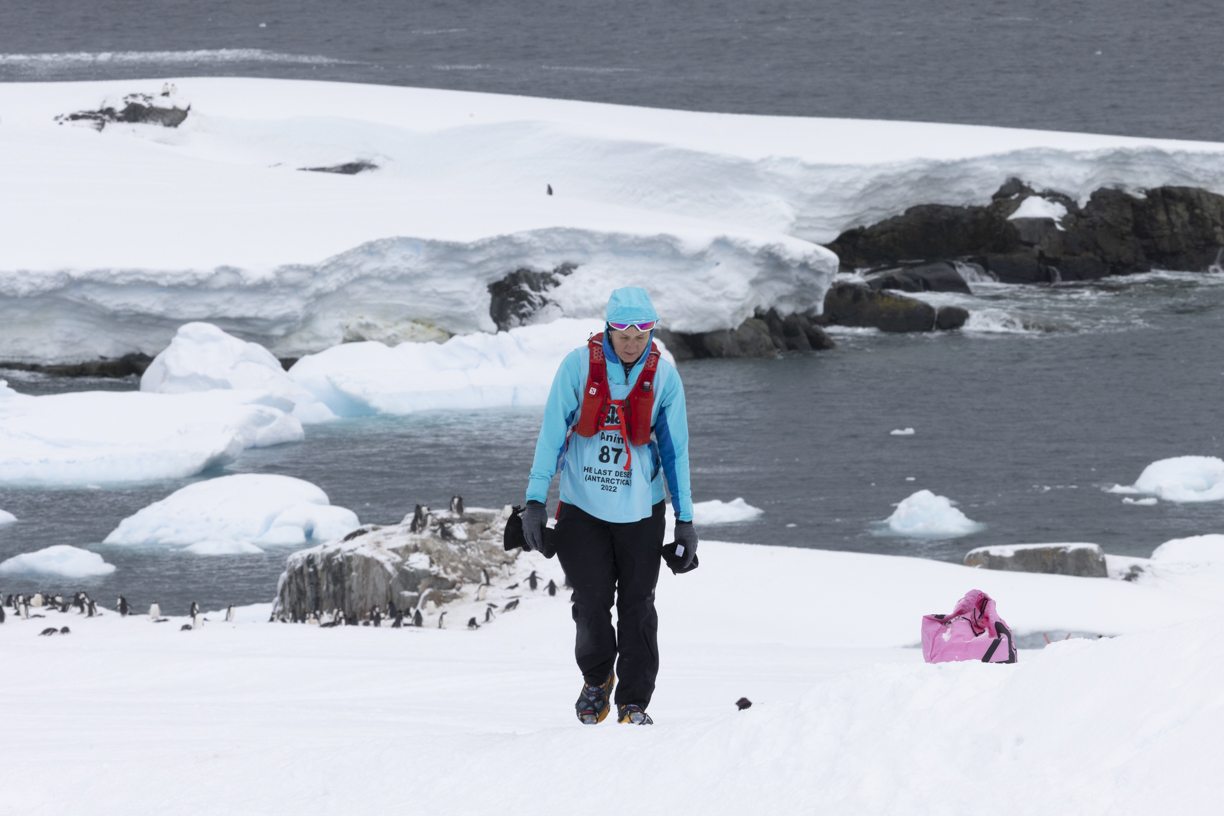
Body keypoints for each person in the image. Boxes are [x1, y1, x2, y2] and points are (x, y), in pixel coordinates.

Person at [522, 286, 697, 726]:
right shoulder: (578, 366)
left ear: (652, 333)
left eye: (642, 336)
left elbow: (677, 452)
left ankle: (634, 701)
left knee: (638, 606)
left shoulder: (664, 378)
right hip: (582, 508)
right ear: (608, 329)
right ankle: (598, 680)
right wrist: (535, 500)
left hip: (642, 511)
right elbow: (550, 437)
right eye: (623, 334)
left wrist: (686, 521)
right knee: (591, 601)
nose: (632, 343)